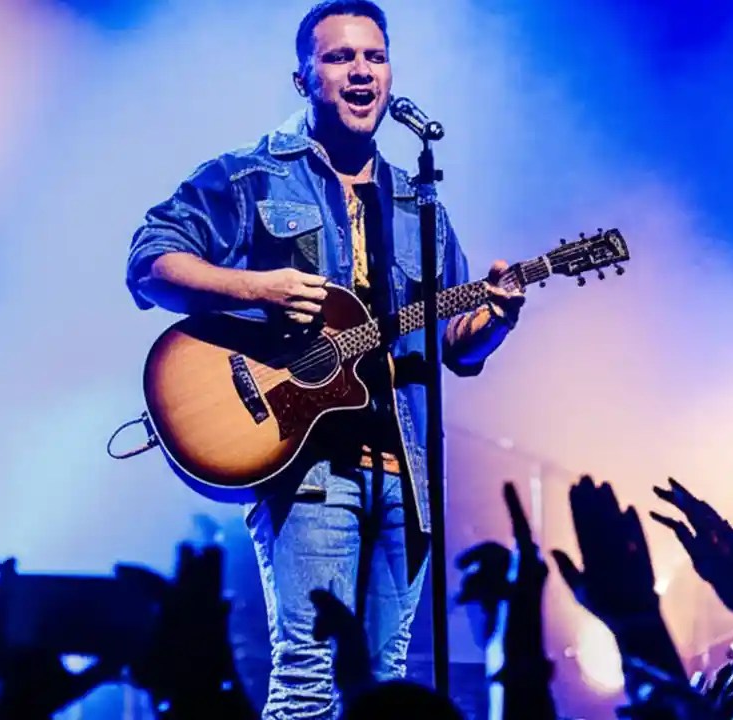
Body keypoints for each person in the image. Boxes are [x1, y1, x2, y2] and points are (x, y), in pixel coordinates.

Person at [125, 1, 524, 716]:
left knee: (388, 685)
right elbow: (150, 263)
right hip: (305, 466)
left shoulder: (417, 201)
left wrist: (496, 316)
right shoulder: (250, 177)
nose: (361, 70)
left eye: (374, 56)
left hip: (405, 477)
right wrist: (255, 286)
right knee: (310, 678)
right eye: (341, 57)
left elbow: (457, 346)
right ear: (304, 77)